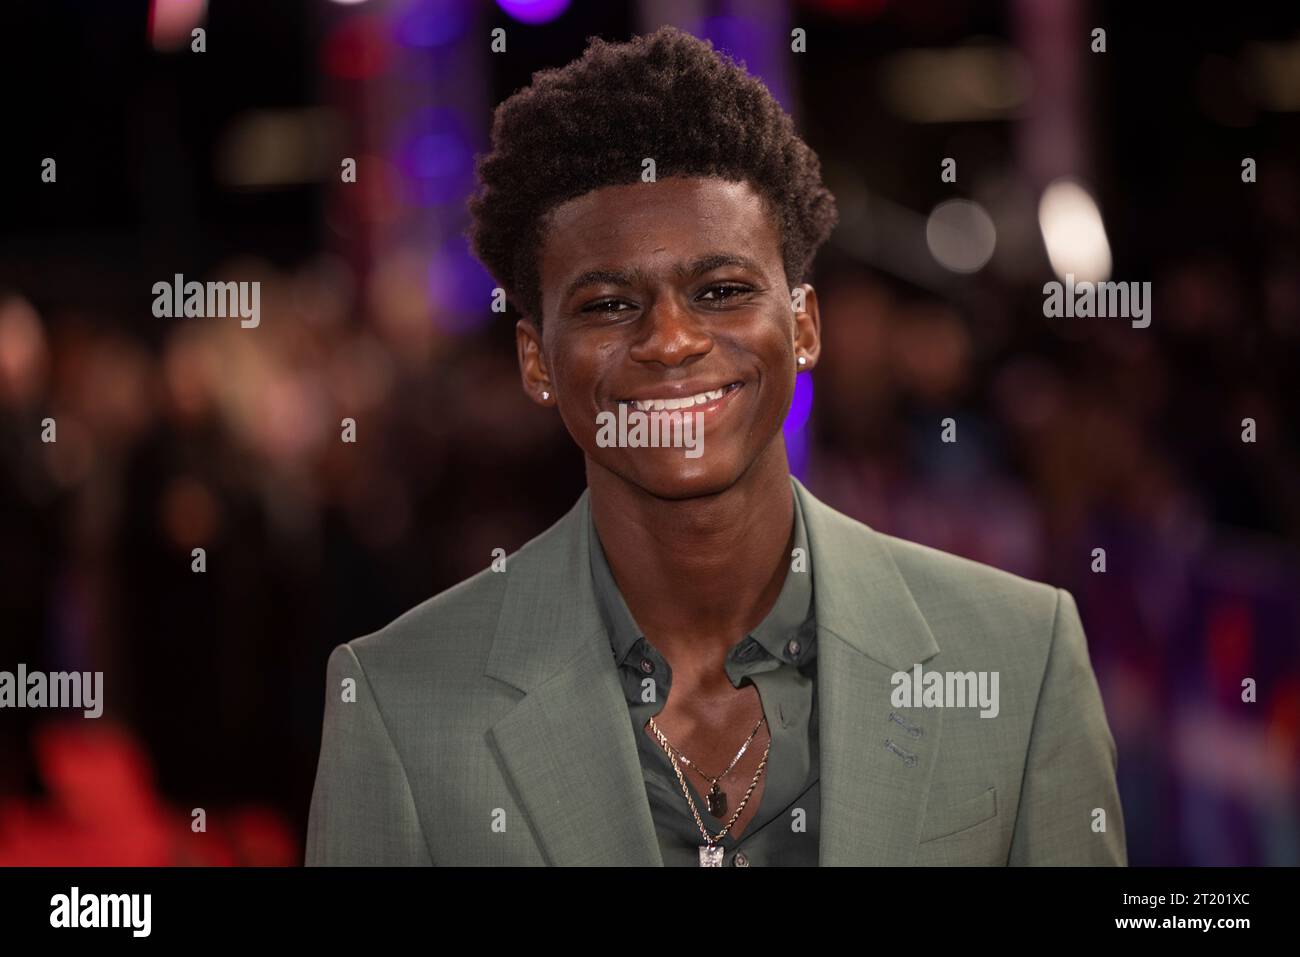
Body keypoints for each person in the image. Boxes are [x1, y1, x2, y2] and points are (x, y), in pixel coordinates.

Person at [305, 25, 1126, 867]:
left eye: (722, 290)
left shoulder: (1018, 657)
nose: (671, 338)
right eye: (608, 304)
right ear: (536, 361)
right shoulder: (399, 701)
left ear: (803, 326)